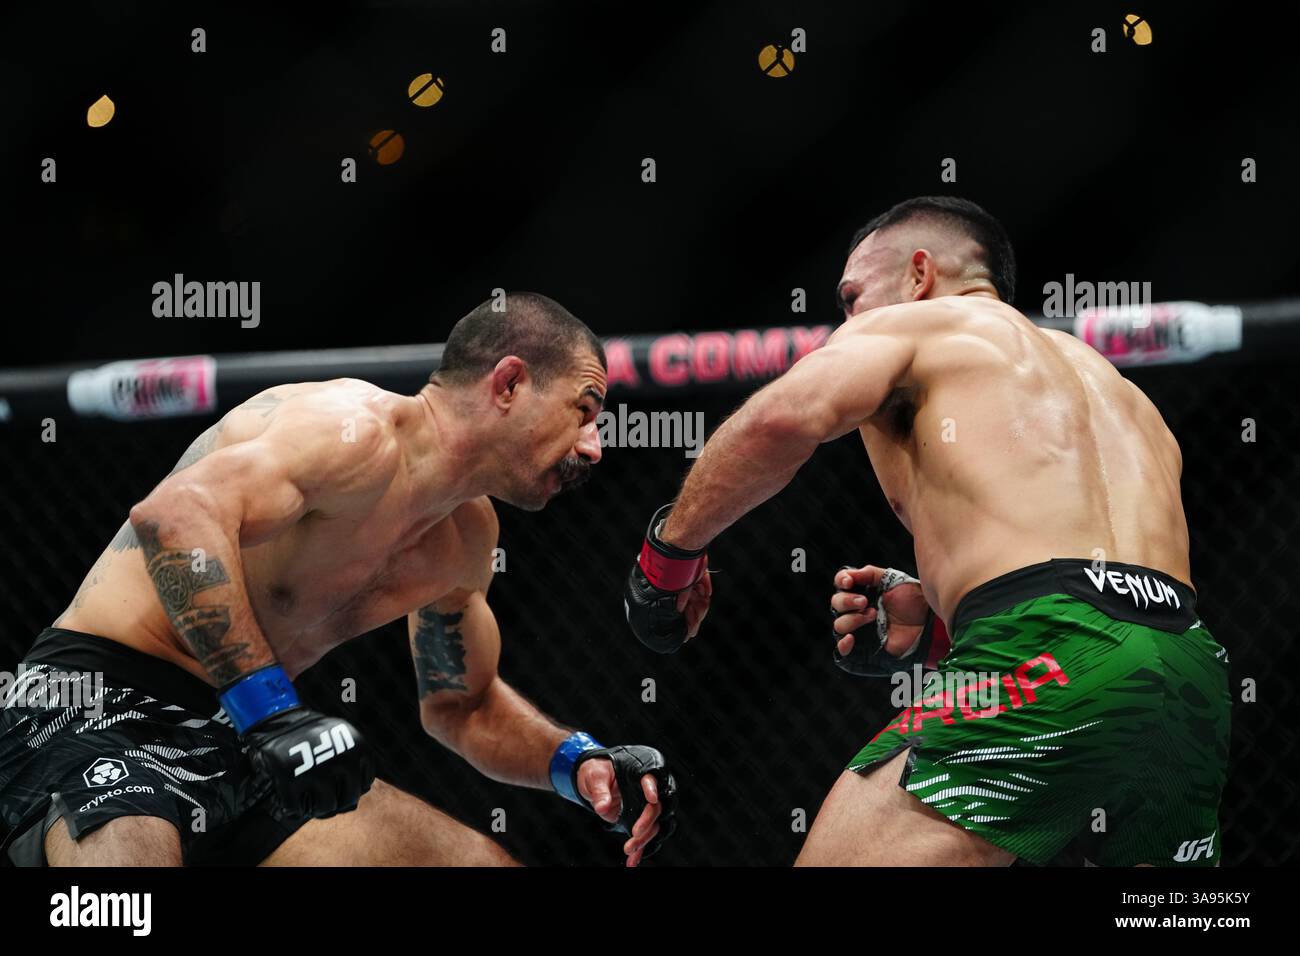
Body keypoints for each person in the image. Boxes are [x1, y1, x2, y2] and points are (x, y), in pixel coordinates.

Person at [622, 196, 1230, 866]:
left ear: (919, 275)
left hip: (1046, 646)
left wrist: (667, 559)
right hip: (1189, 673)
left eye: (852, 296)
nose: (846, 319)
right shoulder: (1122, 394)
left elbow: (781, 420)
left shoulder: (923, 327)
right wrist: (943, 624)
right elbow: (1109, 589)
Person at [0, 292, 676, 867]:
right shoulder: (344, 430)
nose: (595, 446)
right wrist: (272, 711)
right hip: (93, 703)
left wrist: (578, 763)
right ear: (508, 383)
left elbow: (461, 707)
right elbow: (174, 517)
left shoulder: (466, 540)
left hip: (238, 737)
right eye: (584, 410)